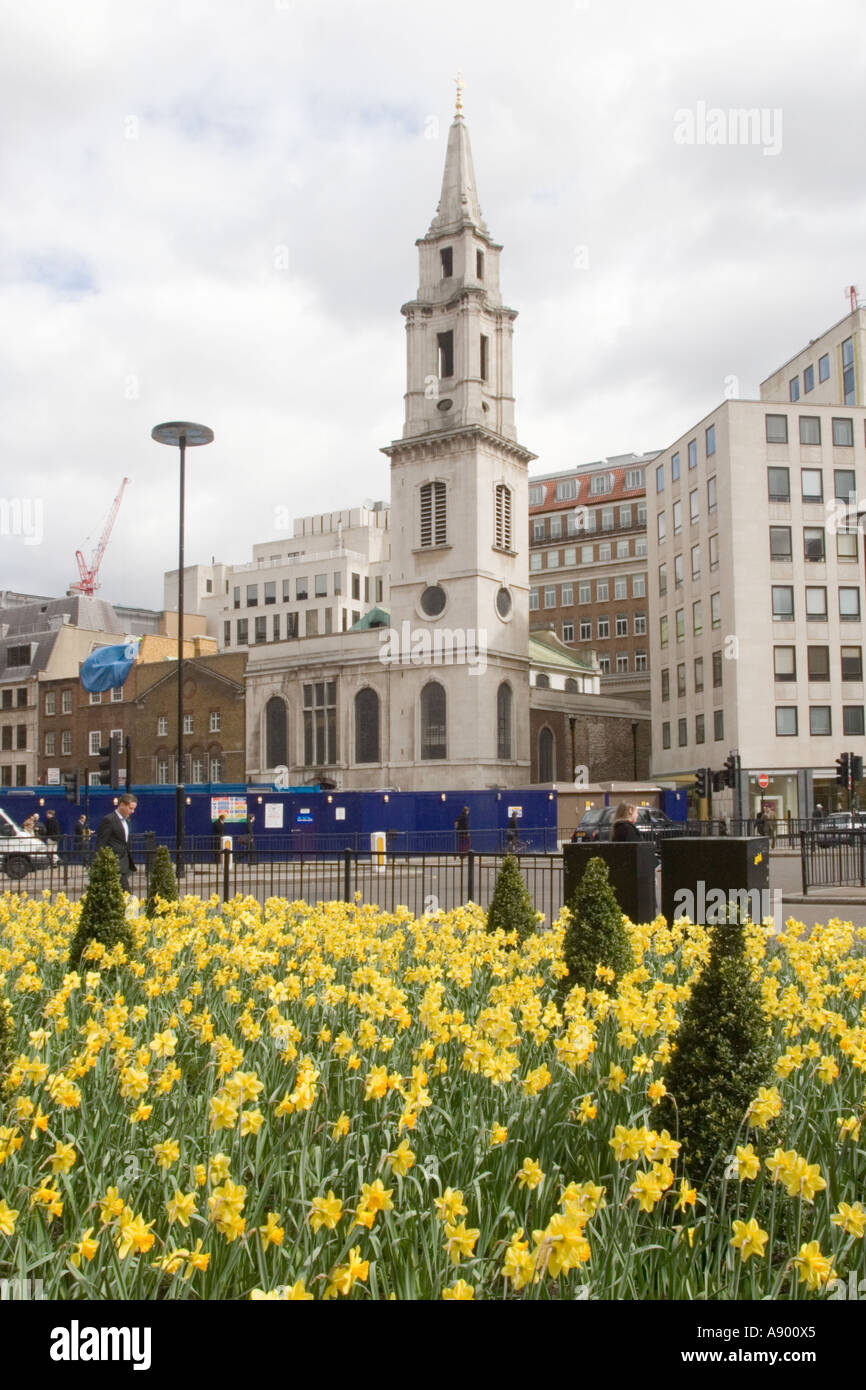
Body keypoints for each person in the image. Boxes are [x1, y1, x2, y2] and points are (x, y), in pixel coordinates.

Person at [94, 793, 138, 891]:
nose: (133, 811)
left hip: (124, 865)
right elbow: (101, 843)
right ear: (122, 805)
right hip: (114, 865)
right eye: (130, 808)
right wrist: (100, 864)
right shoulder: (109, 820)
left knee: (122, 896)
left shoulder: (126, 821)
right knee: (126, 896)